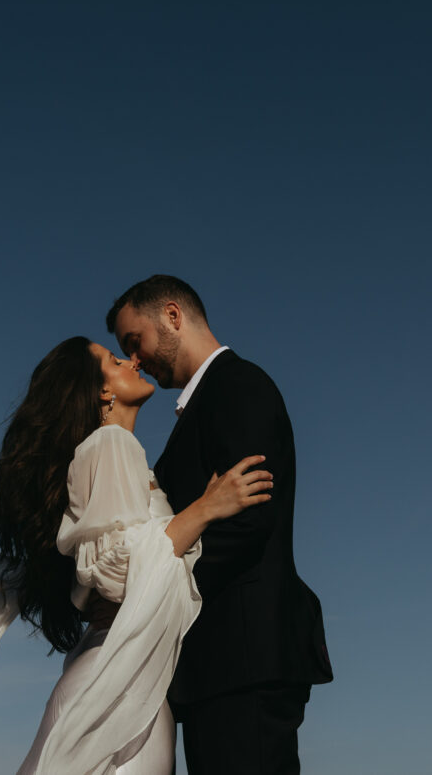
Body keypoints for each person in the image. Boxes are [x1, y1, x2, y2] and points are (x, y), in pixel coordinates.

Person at [0, 335, 271, 775]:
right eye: (114, 360)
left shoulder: (121, 456)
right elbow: (116, 572)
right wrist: (205, 510)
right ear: (103, 392)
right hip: (116, 683)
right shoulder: (109, 446)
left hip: (120, 675)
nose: (132, 360)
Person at [107, 275, 333, 775]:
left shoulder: (238, 385)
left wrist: (157, 592)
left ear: (171, 315)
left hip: (245, 657)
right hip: (217, 666)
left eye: (133, 341)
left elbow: (249, 522)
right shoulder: (200, 408)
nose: (135, 358)